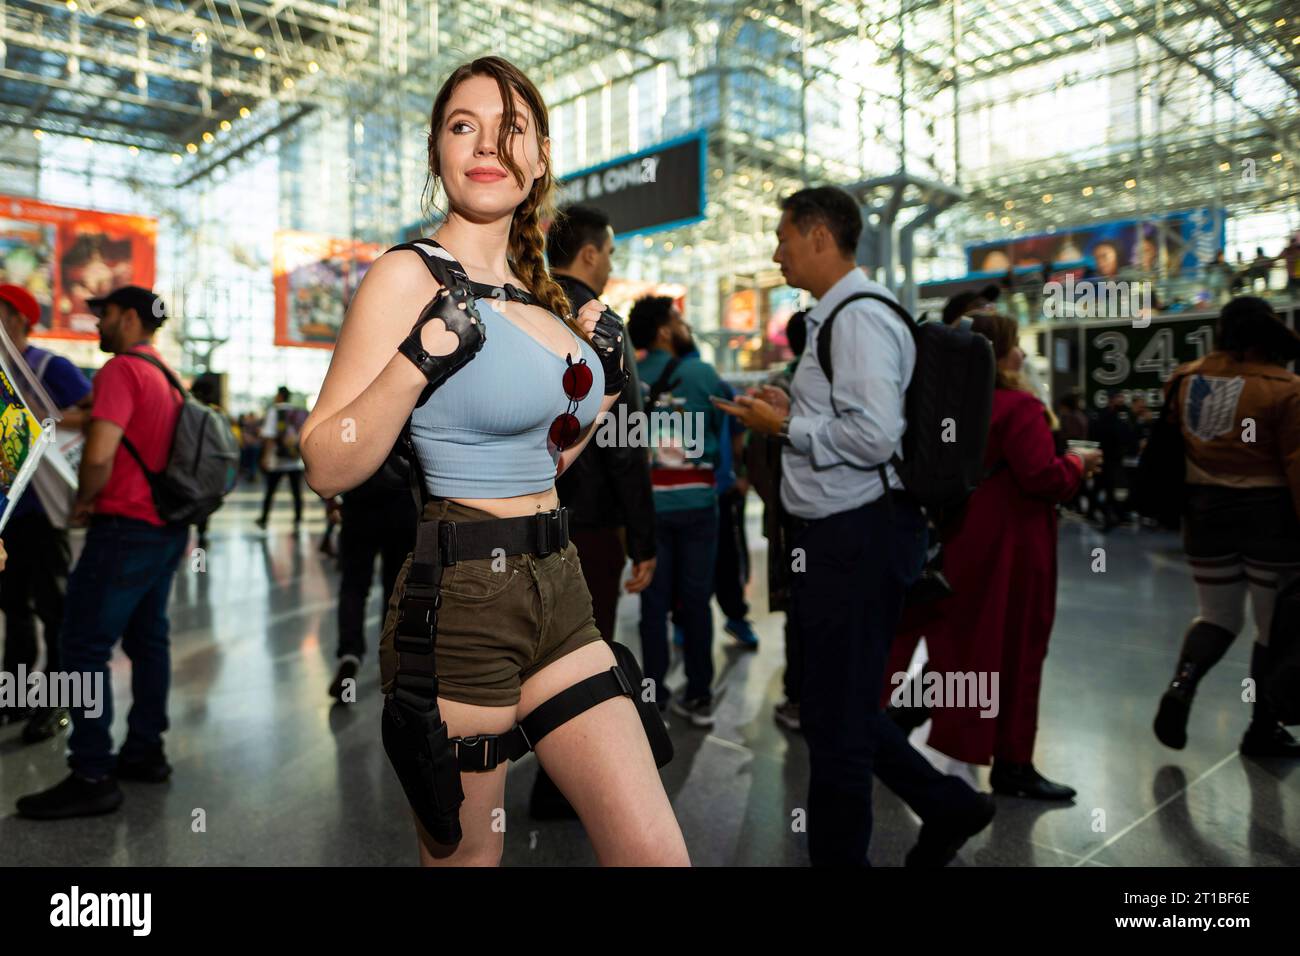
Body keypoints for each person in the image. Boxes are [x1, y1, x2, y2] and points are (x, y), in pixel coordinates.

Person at [299, 56, 687, 866]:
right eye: (462, 126)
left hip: (562, 588)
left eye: (511, 130)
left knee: (655, 853)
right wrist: (417, 357)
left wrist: (607, 391)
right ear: (437, 152)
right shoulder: (409, 276)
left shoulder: (538, 297)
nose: (486, 146)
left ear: (540, 156)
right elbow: (325, 461)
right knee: (471, 863)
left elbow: (546, 466)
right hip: (463, 603)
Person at [717, 186, 995, 866]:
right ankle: (950, 804)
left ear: (818, 236)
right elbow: (850, 420)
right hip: (840, 535)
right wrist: (790, 408)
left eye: (783, 237)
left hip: (857, 535)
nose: (776, 252)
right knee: (834, 705)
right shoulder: (834, 319)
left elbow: (872, 436)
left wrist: (782, 425)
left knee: (837, 726)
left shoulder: (858, 319)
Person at [885, 313, 1102, 797]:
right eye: (1016, 344)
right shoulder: (1020, 407)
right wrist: (1076, 463)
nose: (1022, 354)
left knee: (965, 645)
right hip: (1016, 543)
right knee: (1020, 647)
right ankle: (1014, 763)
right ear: (998, 352)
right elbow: (1042, 477)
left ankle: (904, 724)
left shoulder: (947, 406)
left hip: (962, 537)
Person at [16, 286, 188, 819]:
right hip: (163, 528)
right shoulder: (165, 375)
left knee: (83, 644)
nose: (97, 324)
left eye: (105, 314)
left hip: (122, 528)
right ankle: (145, 752)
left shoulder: (119, 371)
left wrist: (82, 502)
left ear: (131, 318)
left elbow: (100, 451)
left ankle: (91, 773)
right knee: (148, 640)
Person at [535, 203, 657, 819]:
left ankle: (543, 778)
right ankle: (565, 786)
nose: (610, 264)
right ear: (589, 254)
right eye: (608, 252)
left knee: (536, 646)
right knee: (586, 648)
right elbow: (622, 437)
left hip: (525, 516)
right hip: (591, 518)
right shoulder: (599, 320)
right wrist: (645, 537)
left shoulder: (523, 302)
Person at [1153, 296, 1300, 758]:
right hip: (1270, 519)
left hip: (1204, 514)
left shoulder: (1183, 379)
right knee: (1270, 627)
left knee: (1216, 616)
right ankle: (1262, 726)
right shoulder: (1285, 389)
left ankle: (1182, 684)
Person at [629, 295, 729, 728]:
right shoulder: (703, 374)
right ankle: (700, 694)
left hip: (651, 509)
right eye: (679, 319)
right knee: (696, 601)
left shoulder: (632, 377)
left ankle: (653, 698)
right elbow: (721, 429)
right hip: (698, 508)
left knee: (653, 605)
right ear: (666, 329)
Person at [0, 284, 92, 742]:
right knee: (14, 607)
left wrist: (40, 420)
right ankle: (15, 698)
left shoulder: (47, 366)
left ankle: (56, 703)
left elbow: (95, 412)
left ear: (19, 317)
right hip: (7, 512)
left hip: (45, 506)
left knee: (54, 607)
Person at [743, 311, 806, 729]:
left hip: (786, 518)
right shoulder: (815, 382)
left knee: (796, 607)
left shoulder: (781, 383)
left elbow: (755, 455)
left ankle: (798, 696)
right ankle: (809, 695)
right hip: (806, 518)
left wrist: (775, 502)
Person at [328, 466, 417, 702]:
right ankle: (390, 657)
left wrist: (331, 498)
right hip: (402, 503)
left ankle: (350, 654)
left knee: (354, 587)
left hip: (359, 502)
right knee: (395, 588)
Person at [255, 386, 305, 529]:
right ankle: (298, 518)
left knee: (270, 491)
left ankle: (264, 519)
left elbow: (270, 437)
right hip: (296, 460)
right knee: (297, 492)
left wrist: (265, 457)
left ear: (280, 396)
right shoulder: (298, 412)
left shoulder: (275, 411)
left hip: (277, 460)